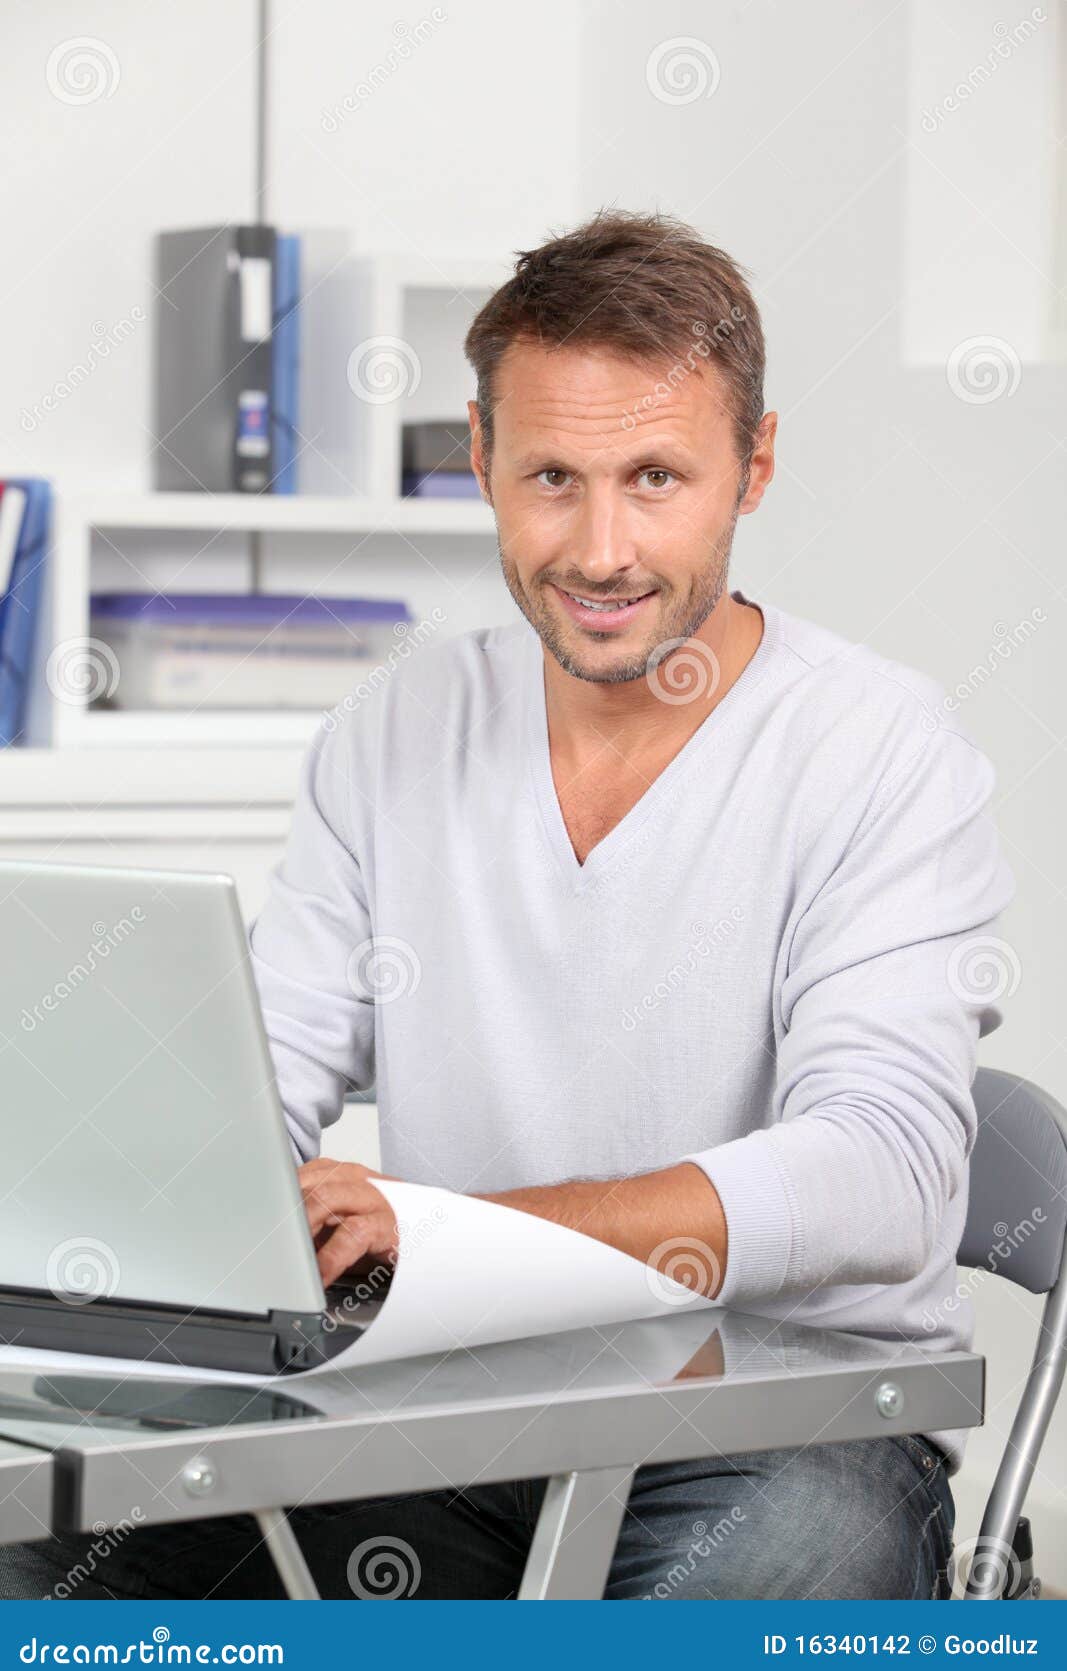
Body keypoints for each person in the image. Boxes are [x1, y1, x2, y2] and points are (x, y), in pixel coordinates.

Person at [0, 210, 1014, 1600]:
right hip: (448, 1413)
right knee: (51, 1553)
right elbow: (253, 1091)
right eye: (552, 477)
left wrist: (468, 1228)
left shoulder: (881, 747)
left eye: (657, 477)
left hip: (790, 1431)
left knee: (747, 1591)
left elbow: (886, 1173)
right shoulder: (397, 727)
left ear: (754, 468)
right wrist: (126, 1177)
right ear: (479, 461)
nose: (600, 550)